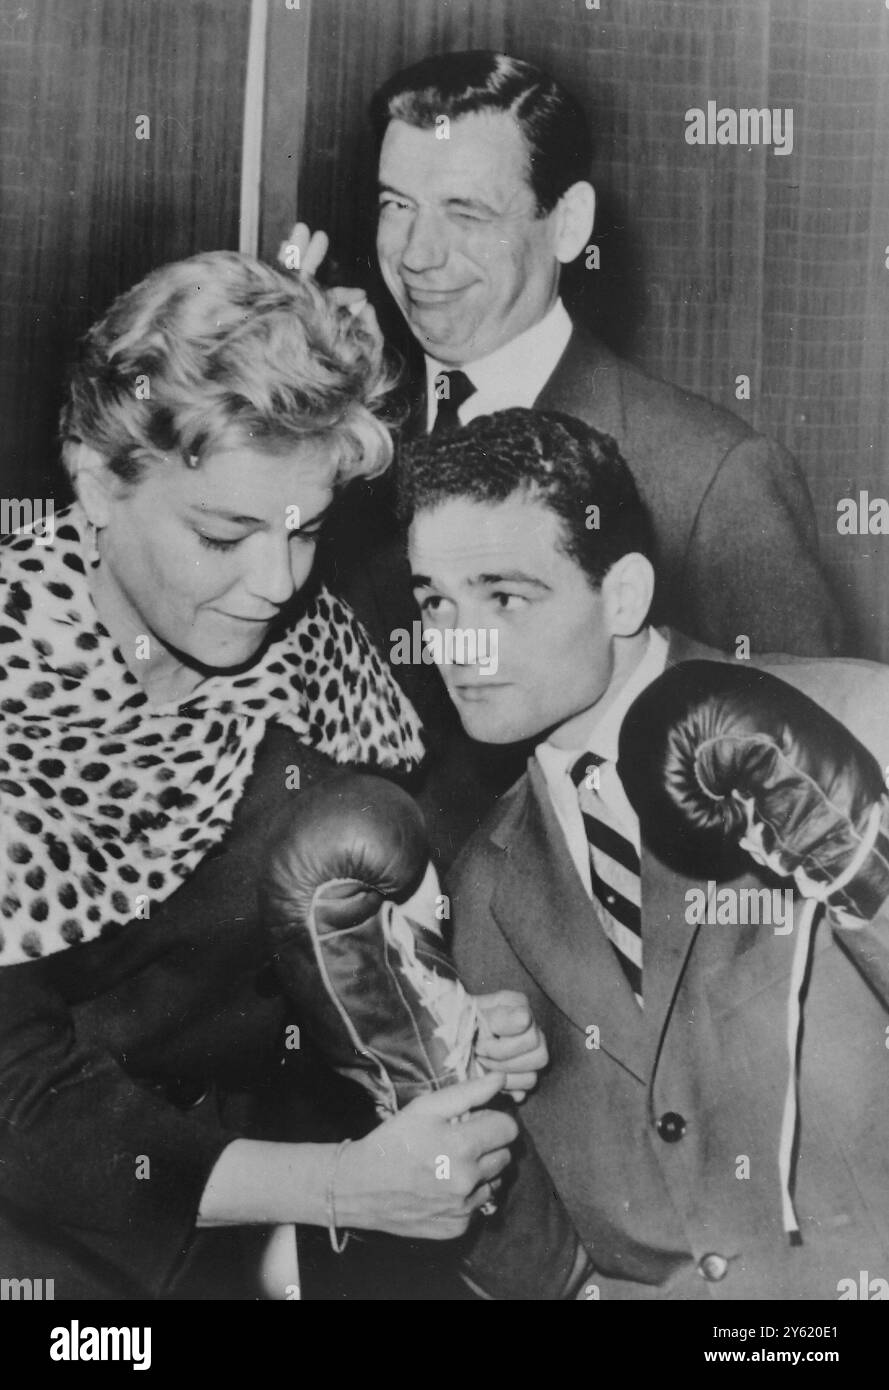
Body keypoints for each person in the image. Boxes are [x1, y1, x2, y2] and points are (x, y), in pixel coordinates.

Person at [0, 252, 546, 1300]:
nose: (275, 583)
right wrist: (336, 1188)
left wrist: (469, 998)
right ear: (95, 478)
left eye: (304, 531)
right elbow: (18, 1106)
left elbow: (404, 886)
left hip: (262, 1243)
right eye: (224, 533)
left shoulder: (322, 650)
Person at [284, 47, 845, 860]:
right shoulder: (349, 425)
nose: (415, 255)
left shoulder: (708, 476)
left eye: (466, 213)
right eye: (396, 204)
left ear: (568, 224)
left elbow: (816, 798)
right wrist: (277, 406)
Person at [399, 407, 889, 1300]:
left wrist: (861, 866)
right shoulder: (478, 886)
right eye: (435, 601)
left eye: (504, 596)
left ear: (621, 593)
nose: (456, 646)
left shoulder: (854, 719)